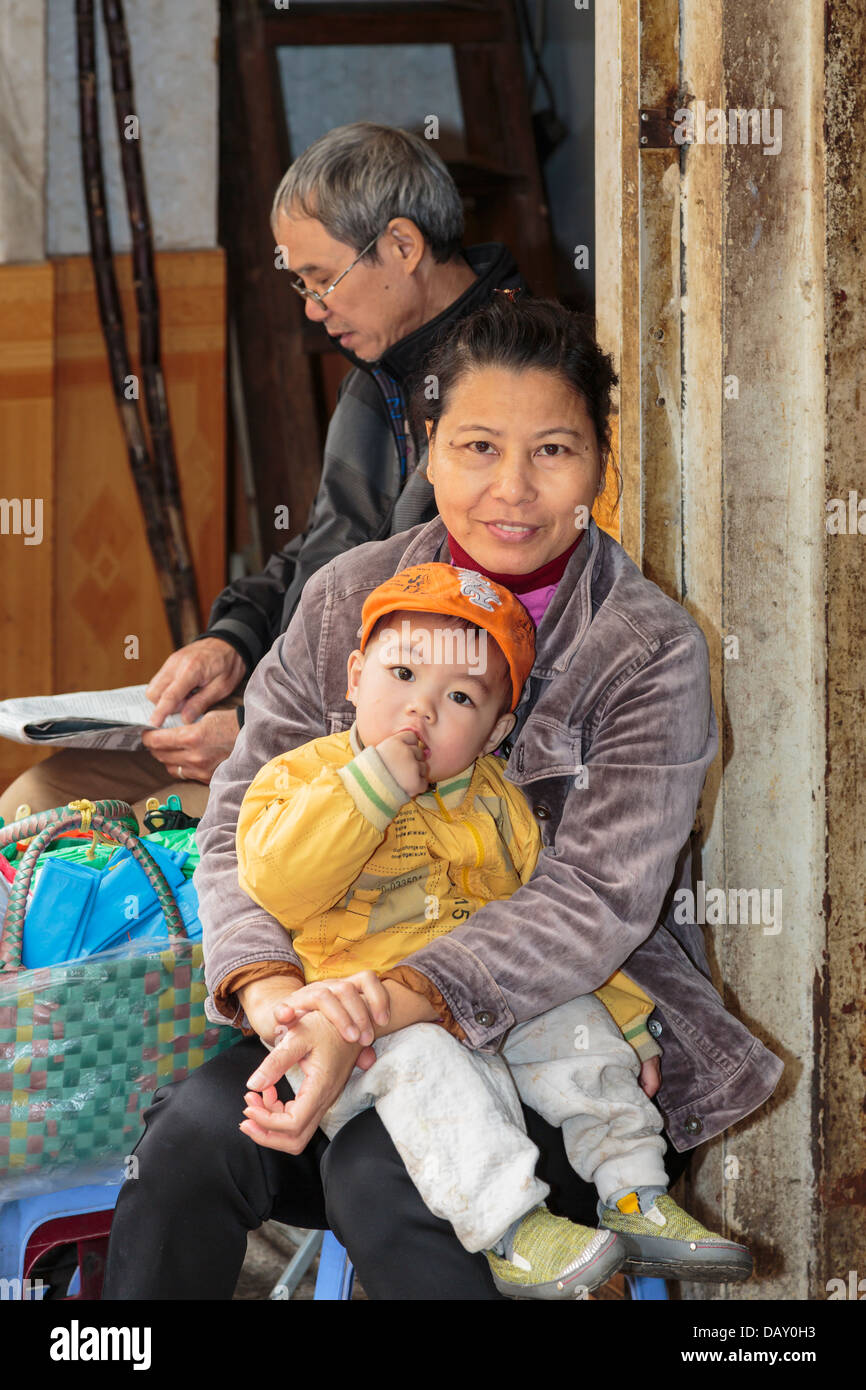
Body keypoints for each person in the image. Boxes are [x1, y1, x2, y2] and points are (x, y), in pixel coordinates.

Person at [103, 297, 782, 1301]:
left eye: (552, 449)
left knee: (386, 1178)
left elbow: (589, 903)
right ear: (426, 446)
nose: (510, 490)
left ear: (601, 457)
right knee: (192, 1140)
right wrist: (276, 997)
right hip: (329, 993)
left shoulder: (645, 651)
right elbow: (236, 823)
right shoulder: (344, 596)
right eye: (474, 446)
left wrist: (370, 1016)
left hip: (558, 1039)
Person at [234, 561, 753, 1298]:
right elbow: (278, 883)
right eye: (403, 673)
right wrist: (371, 792)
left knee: (577, 1025)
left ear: (496, 730)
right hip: (363, 1034)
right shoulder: (299, 778)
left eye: (459, 697)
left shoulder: (496, 802)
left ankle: (636, 1194)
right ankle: (512, 1230)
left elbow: (545, 921)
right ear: (354, 676)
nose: (421, 711)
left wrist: (630, 1017)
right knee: (437, 1072)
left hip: (480, 1004)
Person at [0, 122, 525, 828]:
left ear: (402, 246)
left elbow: (447, 647)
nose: (312, 309)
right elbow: (327, 549)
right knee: (38, 797)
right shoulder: (383, 376)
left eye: (323, 279)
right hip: (286, 704)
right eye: (301, 285)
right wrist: (235, 641)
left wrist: (255, 725)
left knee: (134, 830)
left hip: (385, 752)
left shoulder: (506, 386)